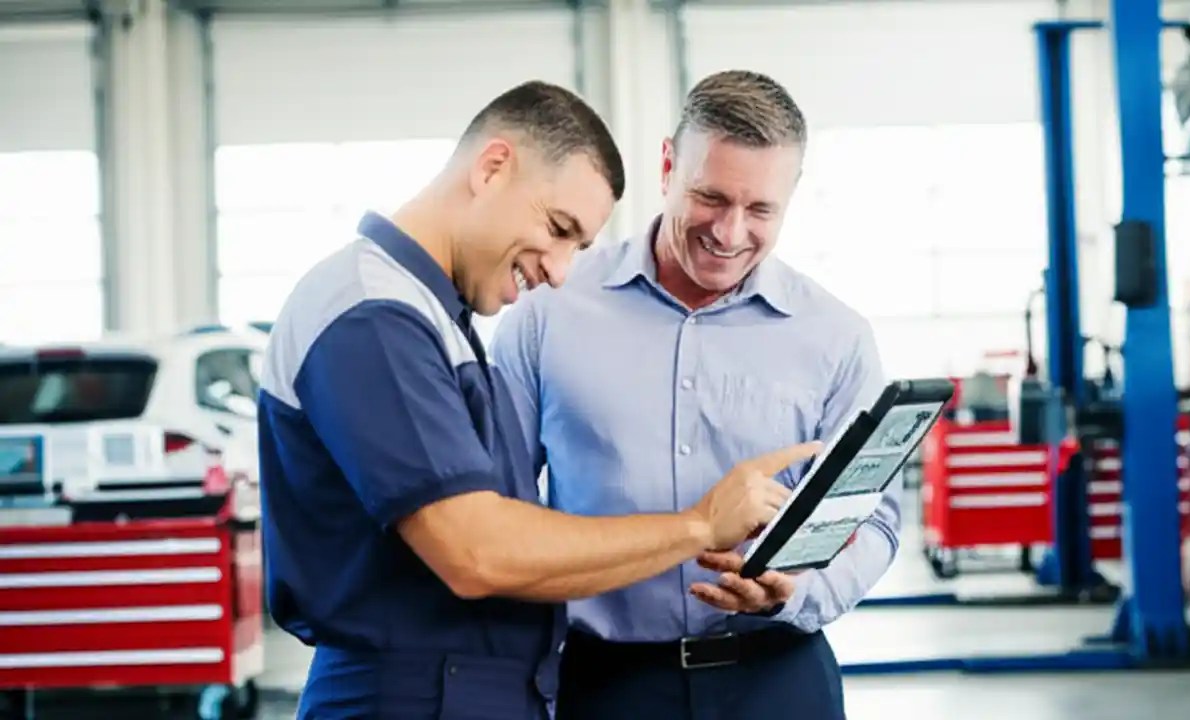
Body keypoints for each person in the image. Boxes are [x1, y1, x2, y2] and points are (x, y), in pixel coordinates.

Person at [255, 80, 820, 720]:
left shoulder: (438, 321)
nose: (558, 270)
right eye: (557, 229)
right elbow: (477, 551)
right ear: (493, 167)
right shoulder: (373, 317)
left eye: (577, 245)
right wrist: (698, 525)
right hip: (412, 696)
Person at [489, 70, 894, 720]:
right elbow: (497, 505)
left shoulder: (836, 338)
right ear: (668, 165)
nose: (730, 233)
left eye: (761, 210)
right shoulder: (549, 310)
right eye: (710, 197)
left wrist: (800, 590)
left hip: (779, 680)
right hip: (605, 685)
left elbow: (873, 519)